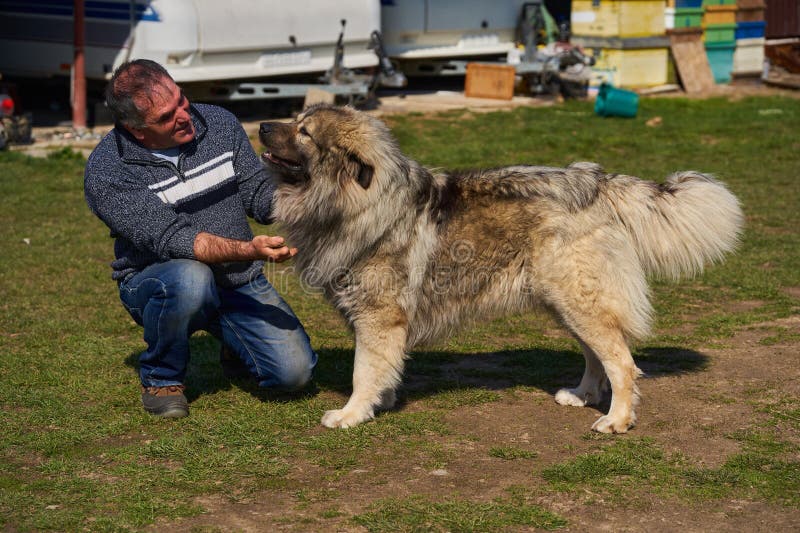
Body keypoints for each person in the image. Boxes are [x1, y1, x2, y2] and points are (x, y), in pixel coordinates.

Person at [84, 59, 317, 418]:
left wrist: (314, 194)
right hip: (160, 280)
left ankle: (232, 341)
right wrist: (249, 249)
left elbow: (256, 193)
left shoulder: (219, 123)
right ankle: (162, 378)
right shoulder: (107, 171)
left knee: (295, 375)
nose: (183, 115)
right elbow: (177, 239)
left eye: (181, 100)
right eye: (165, 116)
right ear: (136, 130)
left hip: (237, 280)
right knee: (191, 279)